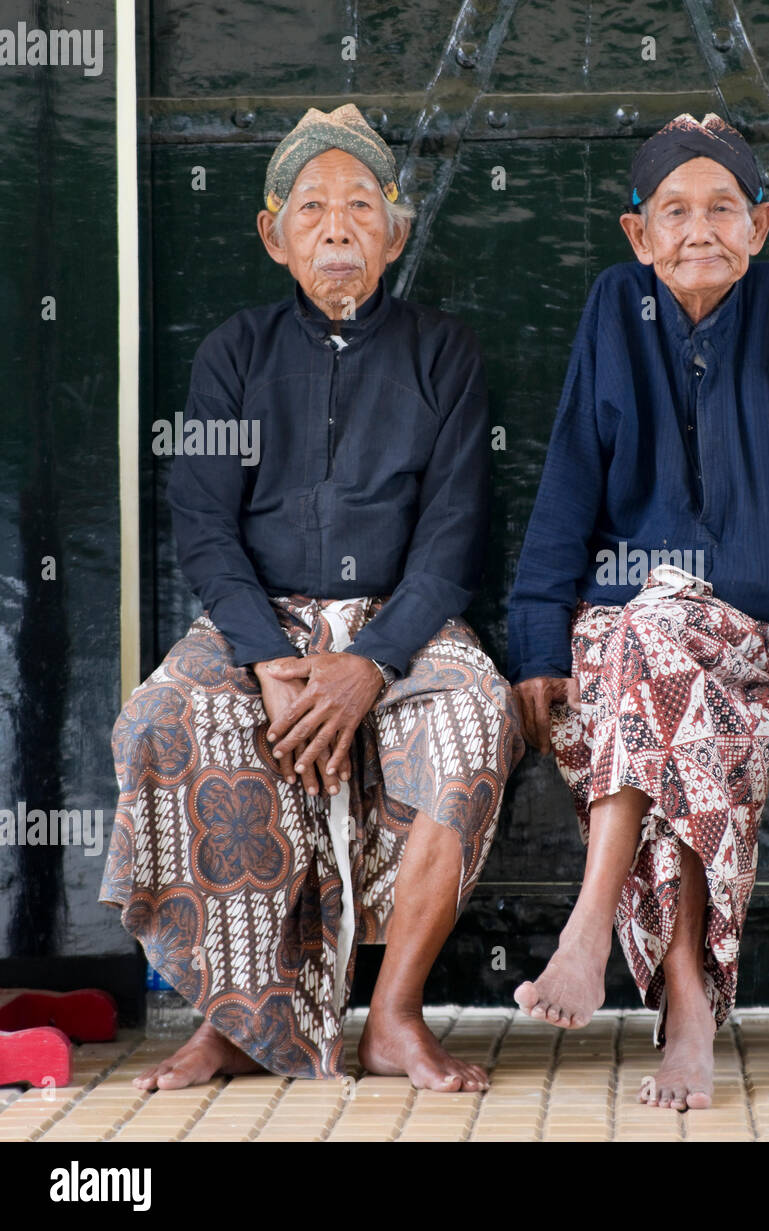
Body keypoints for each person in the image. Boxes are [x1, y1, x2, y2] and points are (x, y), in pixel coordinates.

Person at [101, 104, 523, 1092]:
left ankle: (395, 1016)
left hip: (399, 626)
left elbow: (453, 536)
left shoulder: (440, 352)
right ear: (274, 233)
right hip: (262, 626)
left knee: (477, 719)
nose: (337, 226)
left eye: (360, 205)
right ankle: (232, 1021)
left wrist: (370, 663)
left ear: (395, 230)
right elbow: (202, 522)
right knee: (167, 718)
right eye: (313, 207)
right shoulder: (231, 356)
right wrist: (265, 659)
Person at [507, 112, 769, 1111]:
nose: (698, 229)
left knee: (655, 657)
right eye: (674, 211)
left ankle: (590, 935)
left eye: (720, 209)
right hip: (623, 633)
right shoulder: (613, 310)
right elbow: (569, 482)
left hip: (739, 633)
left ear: (757, 224)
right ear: (639, 234)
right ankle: (690, 1005)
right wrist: (539, 639)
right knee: (655, 667)